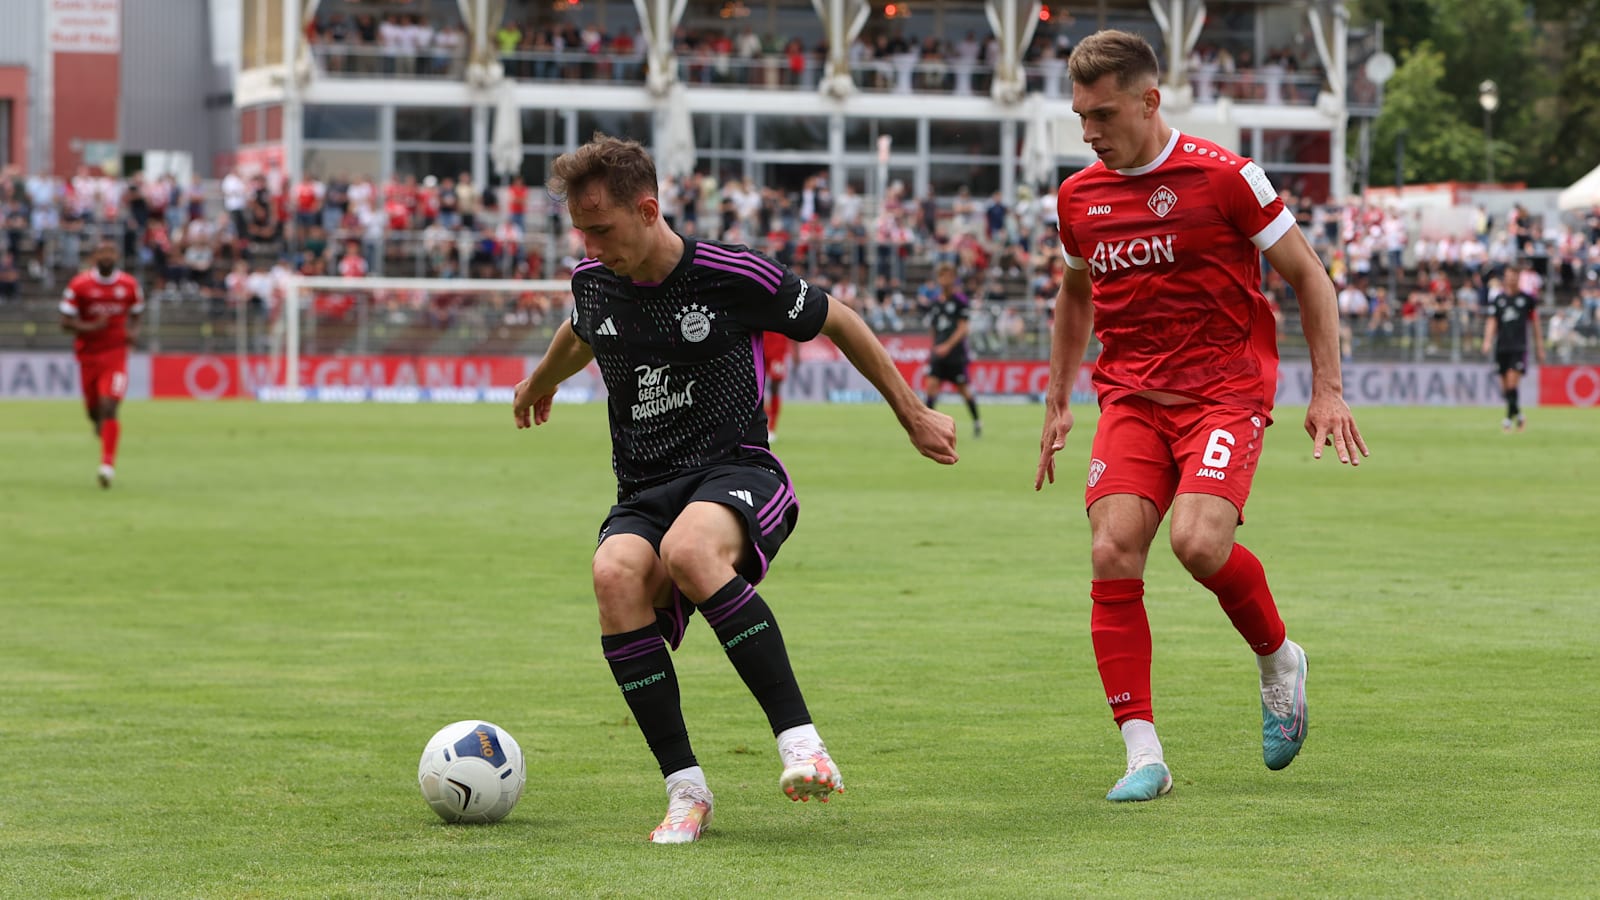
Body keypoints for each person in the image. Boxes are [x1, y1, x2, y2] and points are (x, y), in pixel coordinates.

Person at [511, 134, 958, 843]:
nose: (589, 245)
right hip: (644, 487)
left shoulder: (731, 273)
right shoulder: (594, 280)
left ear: (648, 209)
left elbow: (837, 318)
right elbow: (581, 331)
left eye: (601, 228)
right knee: (613, 574)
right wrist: (539, 381)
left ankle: (803, 746)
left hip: (736, 468)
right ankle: (686, 791)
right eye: (580, 231)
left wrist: (912, 413)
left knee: (690, 551)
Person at [1033, 31, 1367, 803]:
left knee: (1196, 541)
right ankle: (1142, 754)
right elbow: (1076, 293)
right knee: (1112, 548)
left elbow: (1309, 278)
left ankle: (1280, 659)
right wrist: (1058, 398)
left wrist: (1328, 388)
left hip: (1225, 393)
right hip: (1130, 398)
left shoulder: (1228, 179)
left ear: (1150, 100)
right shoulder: (1078, 196)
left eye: (1103, 114)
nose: (1089, 132)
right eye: (1081, 115)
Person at [60, 239, 144, 488]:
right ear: (94, 257)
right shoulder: (80, 285)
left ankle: (107, 466)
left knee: (110, 406)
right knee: (94, 412)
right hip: (88, 355)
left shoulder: (129, 285)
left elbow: (138, 312)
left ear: (117, 256)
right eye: (102, 252)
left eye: (111, 252)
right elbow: (64, 323)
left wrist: (133, 332)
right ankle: (99, 426)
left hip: (116, 354)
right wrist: (90, 327)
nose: (107, 256)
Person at [1481, 261, 1545, 432]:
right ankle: (1520, 417)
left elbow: (1535, 323)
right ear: (1505, 278)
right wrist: (1487, 340)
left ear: (1518, 278)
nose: (1511, 280)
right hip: (1501, 347)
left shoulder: (1527, 299)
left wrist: (1540, 346)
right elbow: (1492, 321)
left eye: (1514, 277)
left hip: (1519, 347)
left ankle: (1508, 421)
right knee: (1505, 389)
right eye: (1509, 277)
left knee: (1511, 384)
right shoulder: (1499, 300)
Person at [922, 262, 983, 436]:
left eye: (948, 275)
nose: (944, 279)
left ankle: (977, 422)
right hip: (938, 354)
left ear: (954, 278)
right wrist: (934, 348)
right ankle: (928, 427)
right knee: (931, 387)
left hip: (955, 354)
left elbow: (963, 328)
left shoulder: (960, 301)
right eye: (942, 276)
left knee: (963, 390)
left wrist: (947, 346)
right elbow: (933, 329)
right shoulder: (935, 303)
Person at [761, 329, 793, 441]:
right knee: (758, 387)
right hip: (761, 346)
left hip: (778, 350)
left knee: (775, 388)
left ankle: (772, 428)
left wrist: (796, 352)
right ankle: (761, 425)